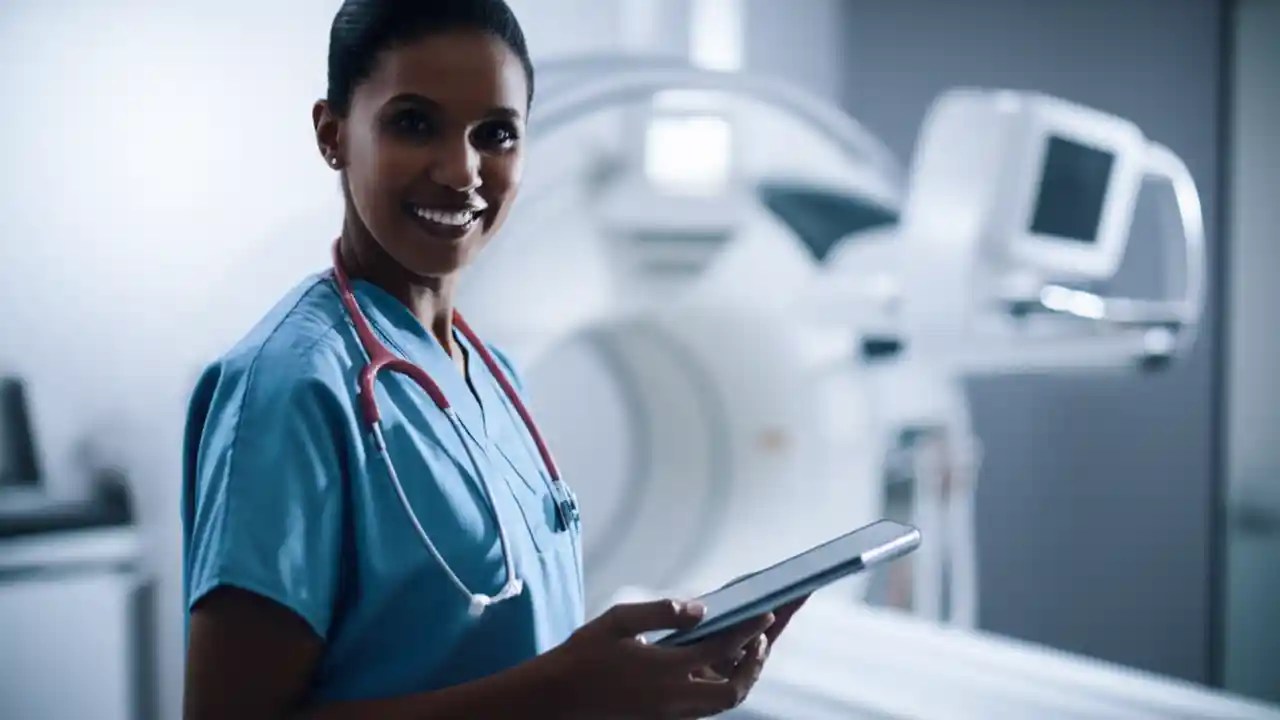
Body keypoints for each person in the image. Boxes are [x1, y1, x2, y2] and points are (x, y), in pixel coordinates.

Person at [181, 1, 806, 718]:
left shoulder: (493, 373)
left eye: (496, 134)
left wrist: (644, 683)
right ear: (333, 135)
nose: (461, 169)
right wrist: (566, 694)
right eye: (414, 123)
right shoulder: (290, 388)